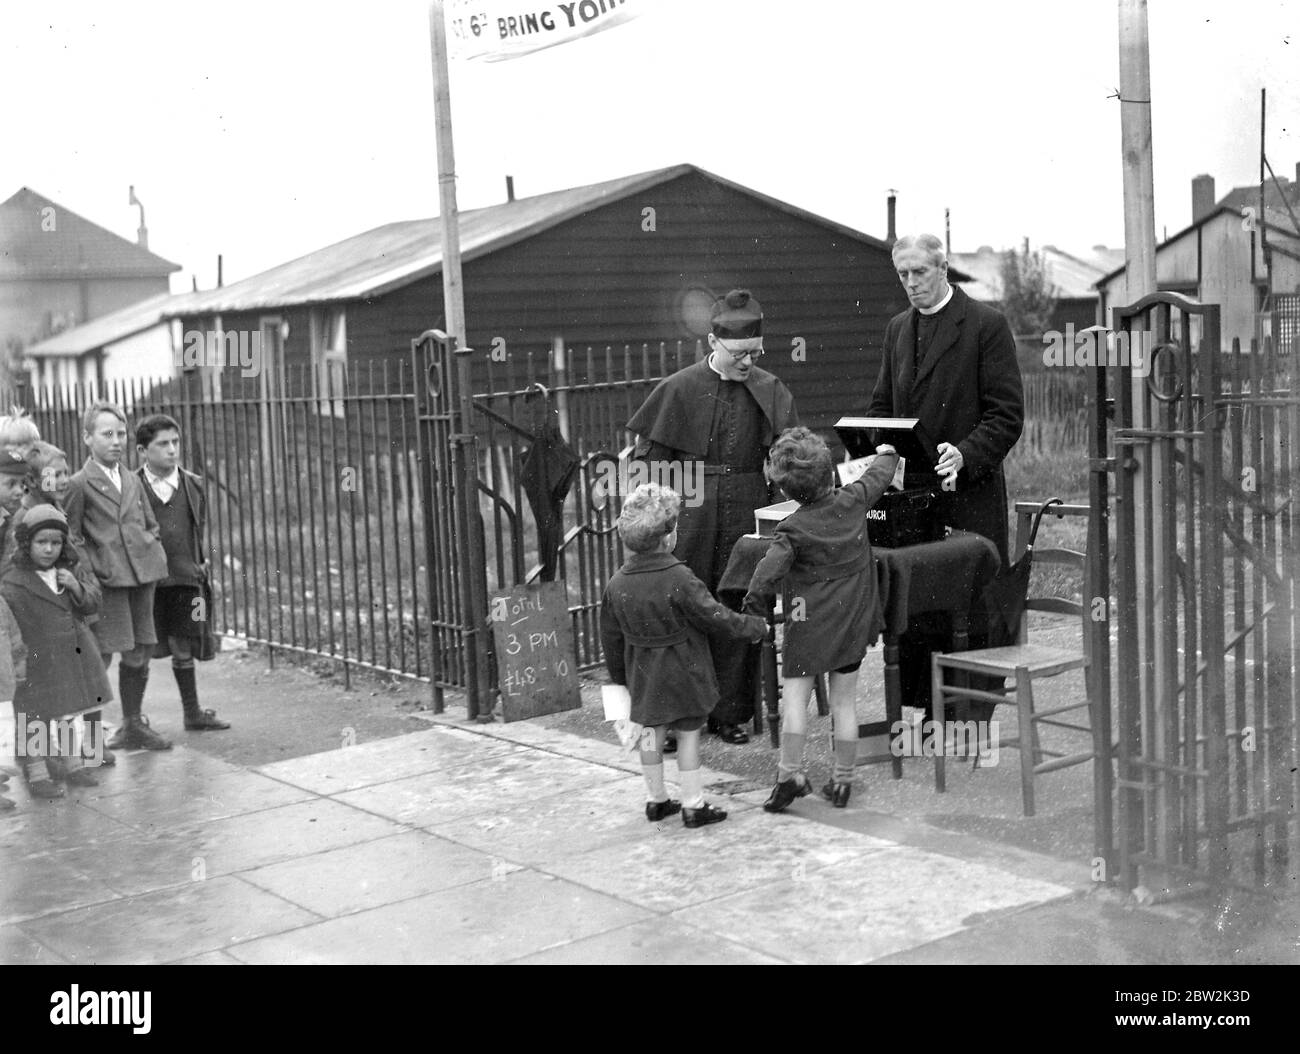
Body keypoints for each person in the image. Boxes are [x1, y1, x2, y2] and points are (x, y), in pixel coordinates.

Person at [625, 289, 798, 746]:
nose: (748, 363)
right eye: (739, 354)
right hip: (689, 507)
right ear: (712, 343)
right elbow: (647, 468)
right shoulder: (677, 389)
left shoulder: (769, 388)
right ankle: (674, 717)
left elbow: (792, 456)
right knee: (680, 605)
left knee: (736, 602)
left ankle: (730, 713)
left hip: (747, 505)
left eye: (755, 354)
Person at [867, 234, 1024, 709]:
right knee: (919, 607)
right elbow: (882, 406)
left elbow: (1007, 415)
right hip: (913, 500)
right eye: (903, 274)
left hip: (967, 495)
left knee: (970, 604)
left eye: (920, 272)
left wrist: (966, 453)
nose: (911, 283)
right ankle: (923, 708)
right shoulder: (897, 328)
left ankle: (971, 710)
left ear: (943, 267)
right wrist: (879, 445)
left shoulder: (985, 325)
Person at [743, 429, 900, 811]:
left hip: (808, 623)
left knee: (795, 699)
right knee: (845, 702)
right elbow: (879, 473)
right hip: (853, 621)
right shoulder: (855, 499)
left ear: (785, 492)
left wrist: (752, 605)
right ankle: (843, 781)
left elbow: (766, 574)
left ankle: (789, 776)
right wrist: (888, 452)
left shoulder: (791, 528)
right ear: (832, 475)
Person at [599, 483, 768, 828]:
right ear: (666, 538)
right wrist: (754, 627)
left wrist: (620, 679)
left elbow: (611, 638)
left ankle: (656, 799)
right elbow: (715, 617)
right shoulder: (679, 576)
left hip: (643, 674)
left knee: (651, 733)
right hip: (684, 670)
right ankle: (693, 805)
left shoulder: (616, 583)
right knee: (689, 735)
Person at [64, 402, 171, 751]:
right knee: (101, 658)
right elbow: (72, 536)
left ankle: (132, 725)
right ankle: (91, 744)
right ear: (87, 438)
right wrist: (91, 572)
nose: (116, 441)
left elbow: (149, 523)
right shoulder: (79, 484)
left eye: (121, 434)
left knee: (141, 649)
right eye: (106, 434)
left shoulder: (132, 478)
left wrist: (151, 547)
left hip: (142, 577)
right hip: (108, 583)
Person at [1, 506, 110, 797]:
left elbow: (93, 602)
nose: (49, 549)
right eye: (41, 542)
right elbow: (14, 622)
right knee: (33, 716)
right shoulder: (14, 581)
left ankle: (74, 766)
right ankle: (37, 776)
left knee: (66, 710)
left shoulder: (70, 571)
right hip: (36, 657)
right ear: (27, 543)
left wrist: (76, 587)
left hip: (70, 652)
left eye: (56, 542)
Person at [135, 414, 228, 731]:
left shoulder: (193, 484)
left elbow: (198, 529)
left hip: (185, 578)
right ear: (143, 451)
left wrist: (202, 561)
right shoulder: (133, 486)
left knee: (184, 642)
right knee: (141, 649)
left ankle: (192, 713)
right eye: (162, 444)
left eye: (175, 442)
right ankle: (133, 720)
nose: (172, 450)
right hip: (148, 581)